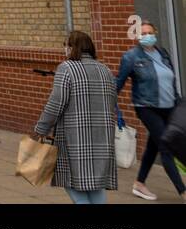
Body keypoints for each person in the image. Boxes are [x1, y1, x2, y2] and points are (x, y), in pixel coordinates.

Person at [32, 29, 118, 204]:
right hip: (102, 137)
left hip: (74, 137)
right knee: (95, 185)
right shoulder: (105, 70)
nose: (65, 50)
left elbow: (56, 102)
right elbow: (112, 100)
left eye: (66, 46)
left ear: (72, 48)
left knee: (72, 183)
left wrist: (41, 128)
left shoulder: (67, 68)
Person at [116, 19, 185, 201]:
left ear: (155, 34)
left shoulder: (163, 53)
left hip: (169, 106)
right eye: (143, 33)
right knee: (166, 147)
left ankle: (139, 184)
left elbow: (170, 79)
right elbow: (118, 84)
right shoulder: (131, 57)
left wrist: (177, 101)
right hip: (147, 107)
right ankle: (183, 191)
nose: (147, 36)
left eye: (150, 33)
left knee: (153, 146)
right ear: (138, 36)